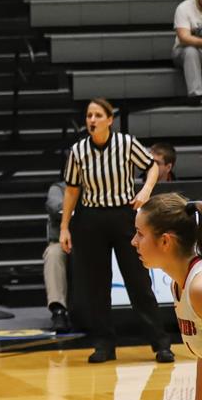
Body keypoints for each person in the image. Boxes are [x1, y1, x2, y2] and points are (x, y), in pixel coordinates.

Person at [59, 98, 173, 363]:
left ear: (110, 119)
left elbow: (151, 166)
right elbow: (72, 190)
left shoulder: (126, 143)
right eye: (89, 115)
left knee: (139, 282)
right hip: (90, 219)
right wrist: (65, 226)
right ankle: (104, 344)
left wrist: (145, 190)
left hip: (123, 216)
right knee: (97, 287)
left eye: (98, 115)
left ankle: (160, 343)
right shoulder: (77, 151)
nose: (92, 120)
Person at [131, 196, 200, 400]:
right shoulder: (180, 285)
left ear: (165, 241)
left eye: (140, 234)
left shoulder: (198, 288)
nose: (133, 241)